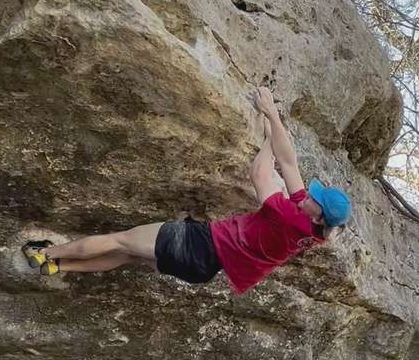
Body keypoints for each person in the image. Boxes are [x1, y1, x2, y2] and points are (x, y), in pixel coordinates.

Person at [22, 87, 351, 295]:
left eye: (315, 199)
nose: (309, 196)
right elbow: (289, 164)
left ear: (318, 215)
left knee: (118, 240)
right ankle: (59, 267)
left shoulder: (290, 216)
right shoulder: (312, 229)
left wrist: (269, 131)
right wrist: (272, 125)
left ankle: (45, 254)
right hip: (202, 268)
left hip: (197, 244)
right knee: (126, 255)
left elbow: (262, 172)